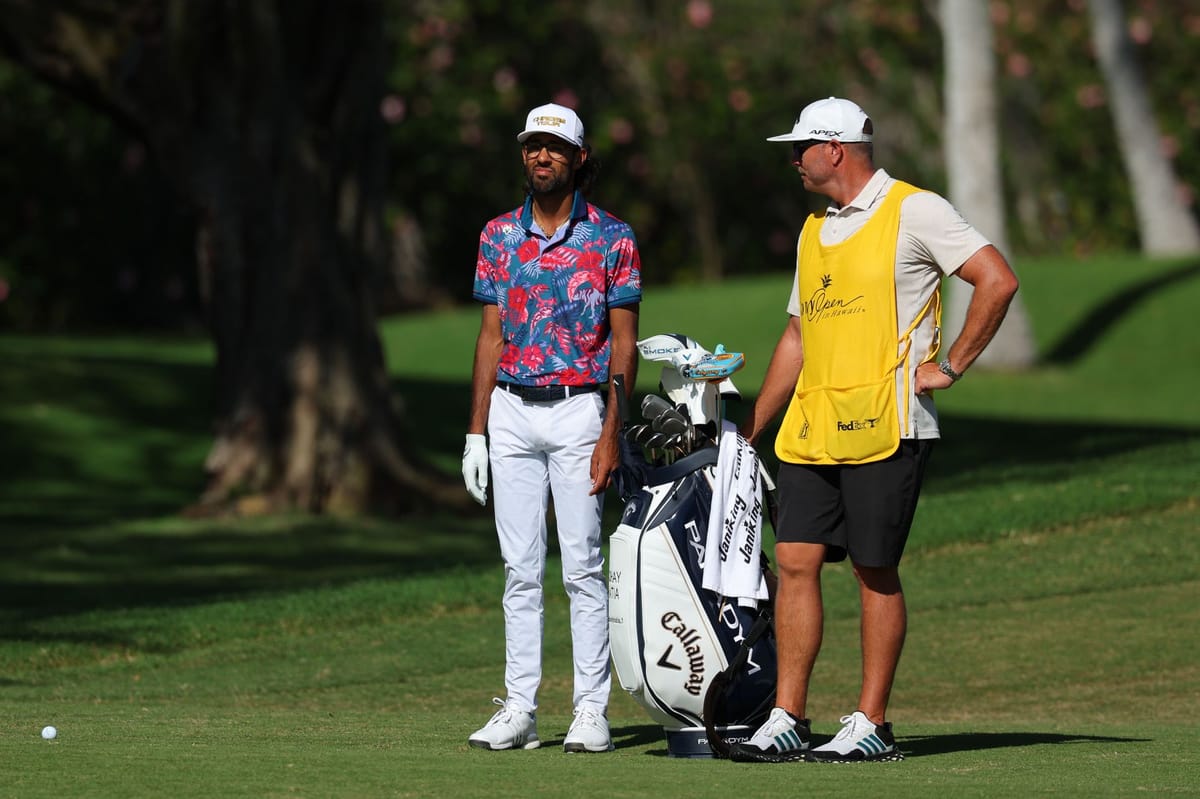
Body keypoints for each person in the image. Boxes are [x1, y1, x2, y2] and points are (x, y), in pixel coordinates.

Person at [729, 97, 1019, 763]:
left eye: (799, 147)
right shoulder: (812, 229)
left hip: (888, 422)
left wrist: (952, 365)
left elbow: (995, 280)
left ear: (834, 148)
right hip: (812, 425)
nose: (792, 160)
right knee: (797, 561)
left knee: (873, 568)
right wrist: (753, 425)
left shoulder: (914, 209)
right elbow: (799, 334)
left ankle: (872, 720)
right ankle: (788, 715)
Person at [462, 102, 642, 753]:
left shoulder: (612, 238)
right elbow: (489, 337)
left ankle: (591, 708)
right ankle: (520, 707)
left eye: (555, 148)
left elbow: (625, 346)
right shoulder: (496, 236)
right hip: (510, 406)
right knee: (520, 567)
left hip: (578, 409)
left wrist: (612, 431)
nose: (542, 157)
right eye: (533, 146)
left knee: (582, 567)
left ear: (579, 159)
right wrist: (475, 431)